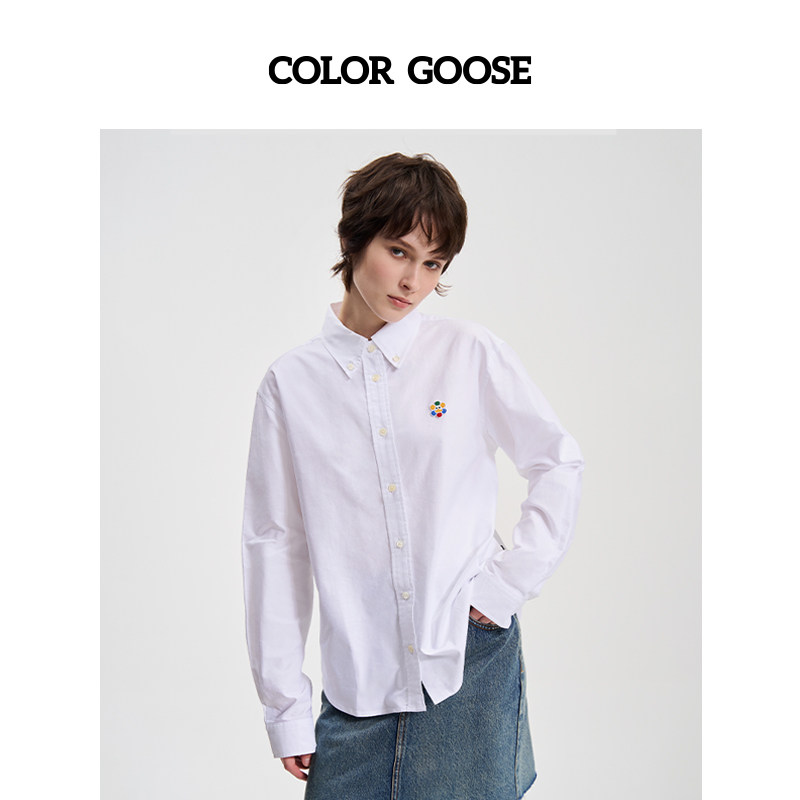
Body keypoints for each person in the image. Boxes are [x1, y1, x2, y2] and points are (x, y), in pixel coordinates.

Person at [241, 153, 584, 799]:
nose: (412, 281)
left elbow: (556, 460)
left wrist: (503, 589)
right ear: (353, 241)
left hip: (467, 660)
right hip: (358, 681)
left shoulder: (467, 353)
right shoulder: (291, 384)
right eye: (398, 252)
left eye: (433, 264)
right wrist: (285, 706)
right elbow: (275, 544)